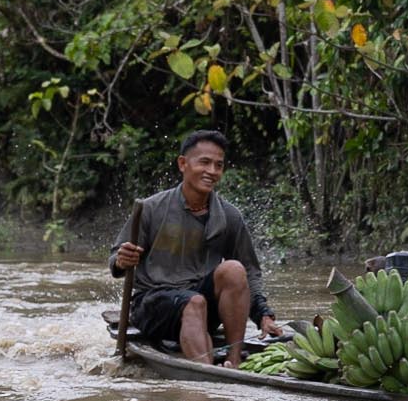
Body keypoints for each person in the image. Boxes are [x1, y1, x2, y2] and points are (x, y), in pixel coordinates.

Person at [109, 130, 280, 364]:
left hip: (201, 305)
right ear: (183, 164)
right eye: (205, 163)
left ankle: (235, 361)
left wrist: (263, 315)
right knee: (193, 302)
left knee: (233, 270)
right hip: (153, 306)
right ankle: (206, 373)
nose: (212, 171)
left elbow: (250, 272)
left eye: (218, 165)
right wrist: (122, 259)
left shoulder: (229, 216)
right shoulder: (151, 208)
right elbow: (116, 261)